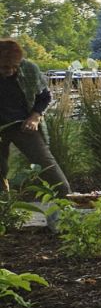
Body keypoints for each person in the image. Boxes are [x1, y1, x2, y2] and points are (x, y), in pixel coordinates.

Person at [0, 38, 77, 195]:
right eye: (4, 67)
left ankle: (64, 206)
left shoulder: (29, 69)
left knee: (47, 167)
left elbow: (45, 97)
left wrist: (35, 117)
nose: (10, 71)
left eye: (15, 67)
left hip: (23, 125)